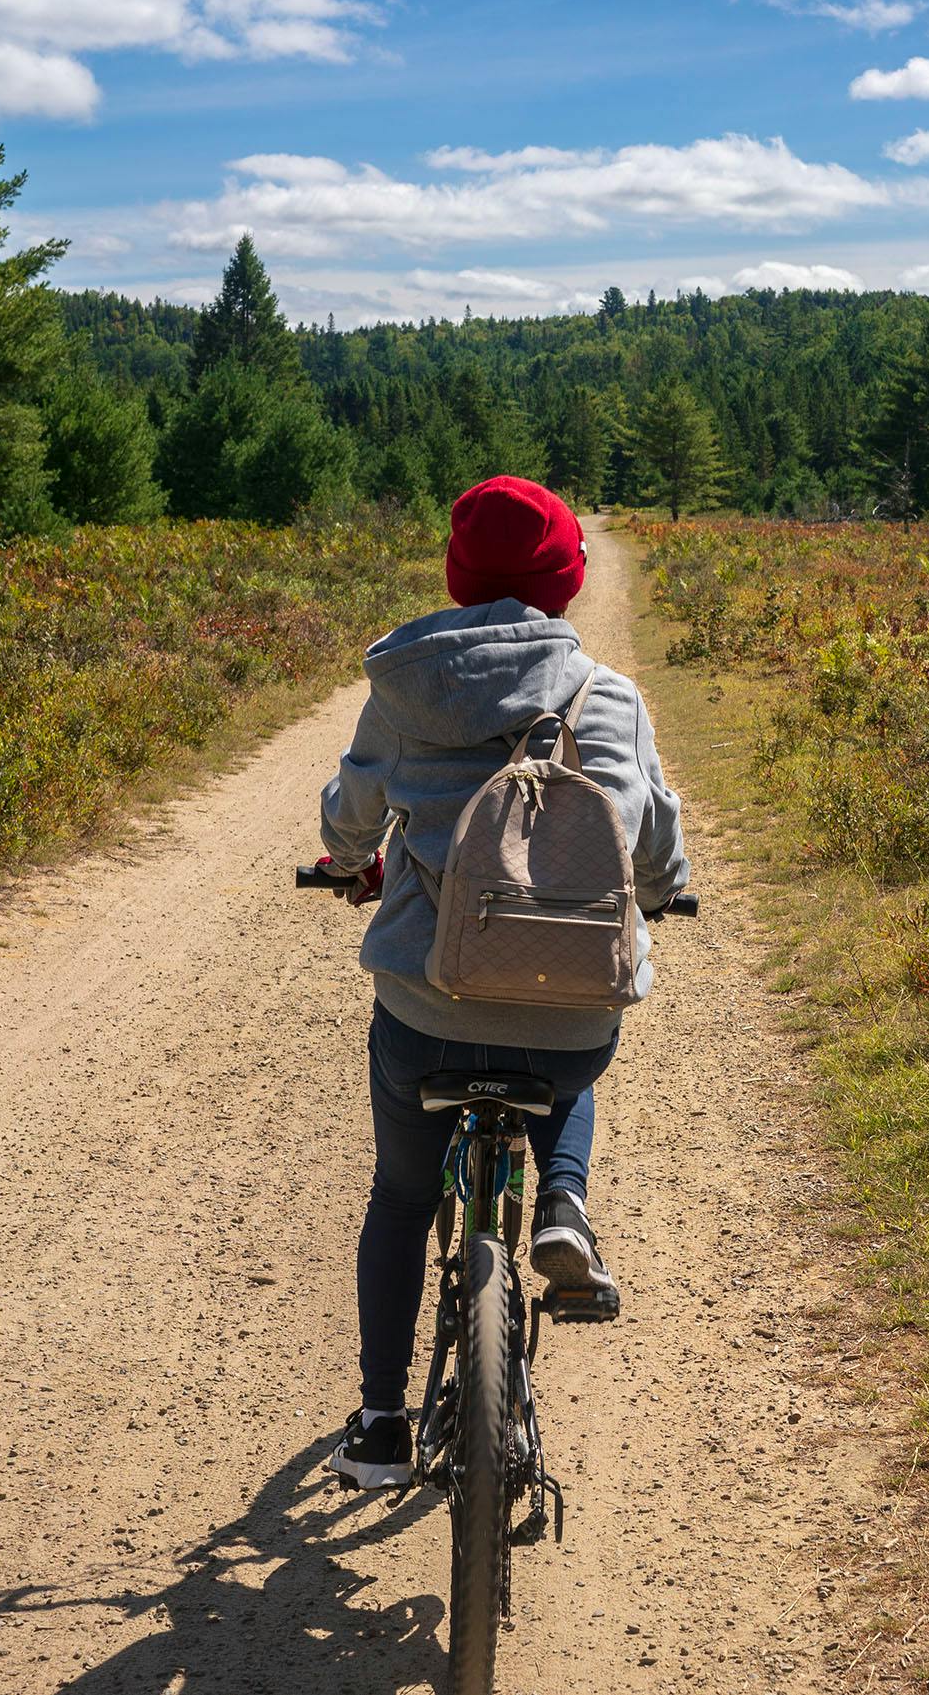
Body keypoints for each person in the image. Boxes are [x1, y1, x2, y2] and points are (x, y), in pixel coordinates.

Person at [310, 474, 690, 1489]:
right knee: (572, 1053)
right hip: (567, 1016)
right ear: (565, 581)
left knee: (399, 1197)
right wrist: (664, 894)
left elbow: (351, 815)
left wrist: (348, 857)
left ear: (457, 574)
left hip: (427, 1006)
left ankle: (382, 1421)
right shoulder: (607, 697)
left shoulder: (406, 689)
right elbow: (648, 835)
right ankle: (563, 1201)